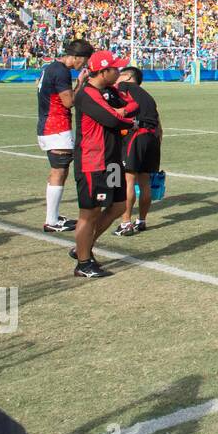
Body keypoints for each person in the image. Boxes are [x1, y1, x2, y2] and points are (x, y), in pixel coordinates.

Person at [71, 50, 138, 278]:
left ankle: (83, 246)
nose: (119, 73)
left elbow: (132, 105)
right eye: (115, 69)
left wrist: (125, 114)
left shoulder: (107, 91)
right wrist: (130, 121)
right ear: (103, 71)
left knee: (119, 206)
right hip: (93, 162)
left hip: (111, 160)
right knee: (89, 213)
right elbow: (112, 119)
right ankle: (83, 262)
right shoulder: (87, 94)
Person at [36, 38, 94, 232]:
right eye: (83, 60)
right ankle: (51, 221)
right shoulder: (60, 71)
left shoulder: (51, 67)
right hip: (56, 126)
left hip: (50, 124)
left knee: (59, 171)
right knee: (59, 171)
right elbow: (69, 102)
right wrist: (81, 84)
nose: (84, 65)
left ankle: (52, 217)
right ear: (75, 57)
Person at [114, 66, 162, 235]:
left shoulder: (123, 88)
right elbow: (158, 123)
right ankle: (141, 220)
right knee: (145, 181)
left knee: (128, 180)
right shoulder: (148, 96)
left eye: (119, 75)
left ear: (127, 77)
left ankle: (126, 222)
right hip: (152, 138)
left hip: (136, 136)